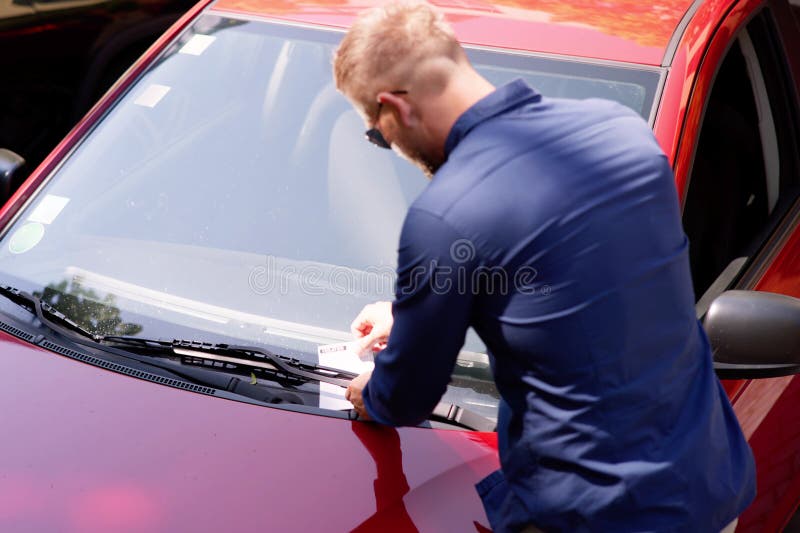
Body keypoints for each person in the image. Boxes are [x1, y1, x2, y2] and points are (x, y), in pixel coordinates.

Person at [333, 2, 756, 531]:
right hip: (709, 486)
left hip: (598, 516)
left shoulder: (446, 213)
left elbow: (407, 395)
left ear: (395, 107)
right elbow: (584, 278)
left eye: (378, 133)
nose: (388, 145)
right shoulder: (620, 130)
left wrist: (368, 391)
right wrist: (419, 311)